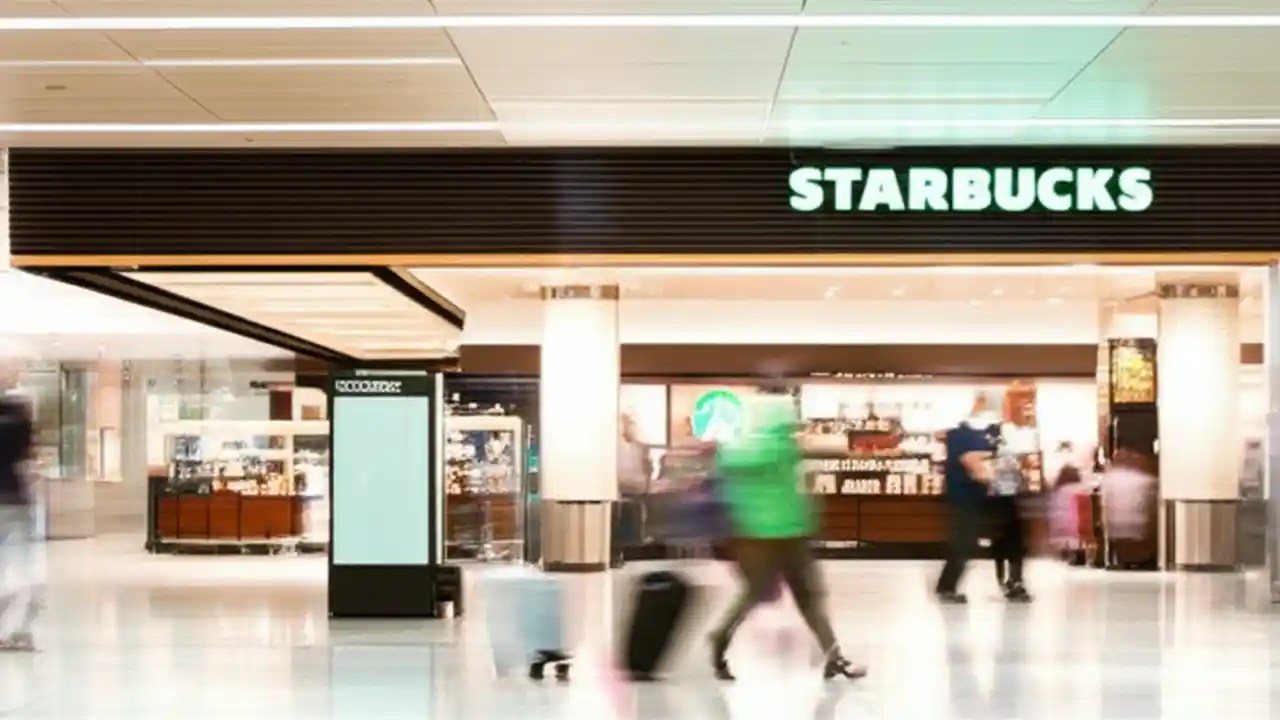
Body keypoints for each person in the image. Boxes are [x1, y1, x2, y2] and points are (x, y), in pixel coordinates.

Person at [707, 383, 865, 682]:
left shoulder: (735, 445)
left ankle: (720, 639)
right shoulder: (783, 445)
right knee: (807, 597)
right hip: (784, 532)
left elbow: (728, 482)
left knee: (757, 594)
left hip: (752, 532)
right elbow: (796, 488)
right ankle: (834, 656)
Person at [935, 391, 999, 604]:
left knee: (964, 540)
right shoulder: (964, 434)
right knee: (965, 541)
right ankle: (947, 587)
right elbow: (969, 460)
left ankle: (945, 585)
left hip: (966, 494)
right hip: (965, 495)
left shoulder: (968, 433)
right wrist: (988, 472)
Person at [0, 378, 37, 651]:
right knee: (24, 569)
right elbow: (26, 460)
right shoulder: (21, 427)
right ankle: (19, 630)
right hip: (17, 501)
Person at [986, 425, 1032, 602]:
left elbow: (989, 482)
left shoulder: (991, 455)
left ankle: (1004, 581)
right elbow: (1021, 480)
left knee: (1000, 544)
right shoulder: (1009, 454)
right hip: (1011, 502)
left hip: (997, 503)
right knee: (1015, 545)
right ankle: (1015, 580)